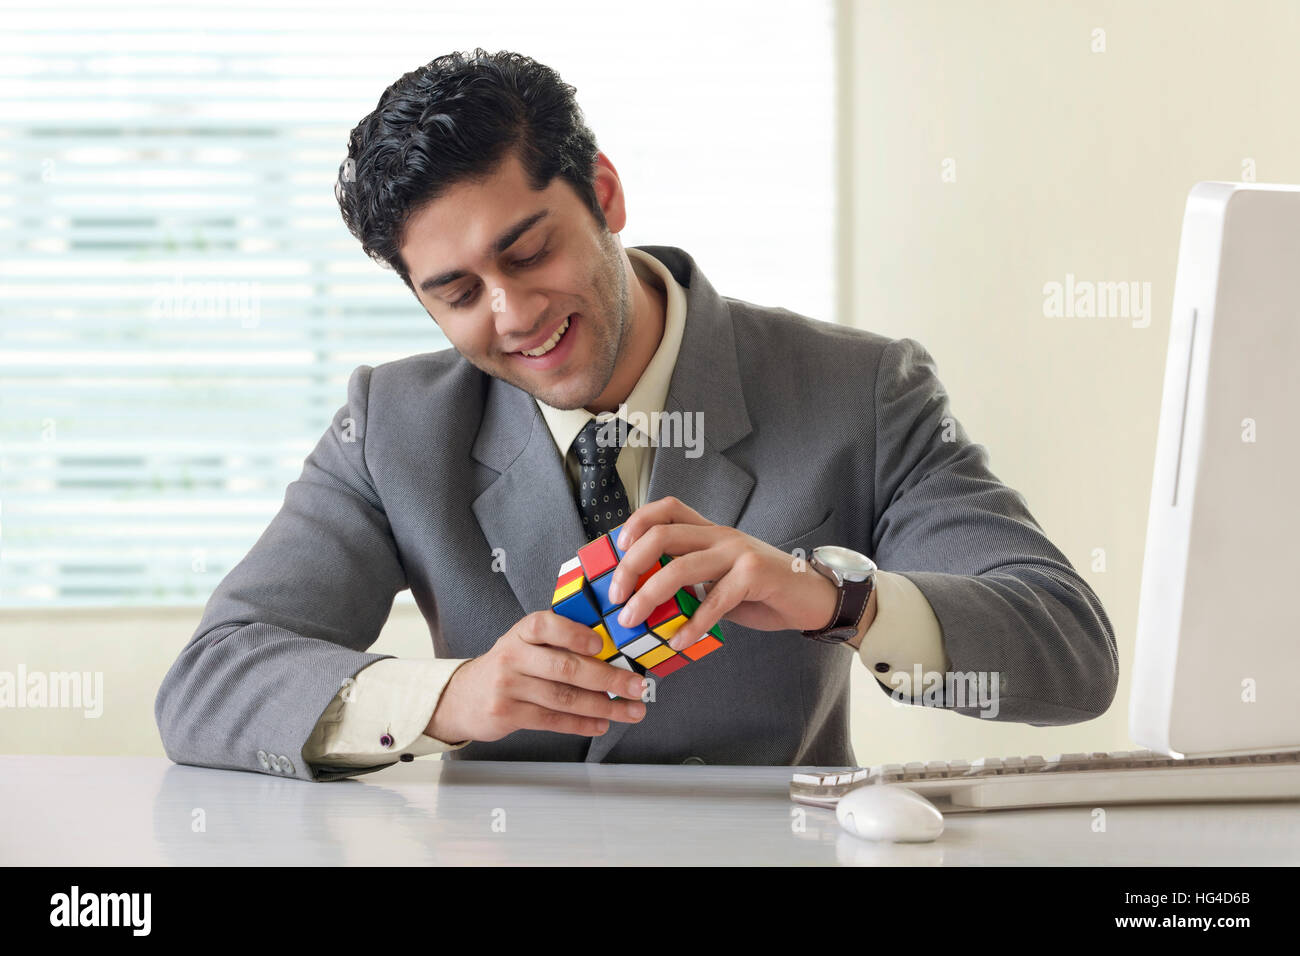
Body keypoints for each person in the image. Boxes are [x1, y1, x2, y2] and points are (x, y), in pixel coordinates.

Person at [155, 49, 1117, 782]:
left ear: (604, 195)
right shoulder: (393, 423)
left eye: (529, 253)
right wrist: (451, 695)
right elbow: (211, 682)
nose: (514, 315)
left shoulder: (858, 390)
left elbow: (1070, 656)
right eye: (456, 293)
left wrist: (833, 598)